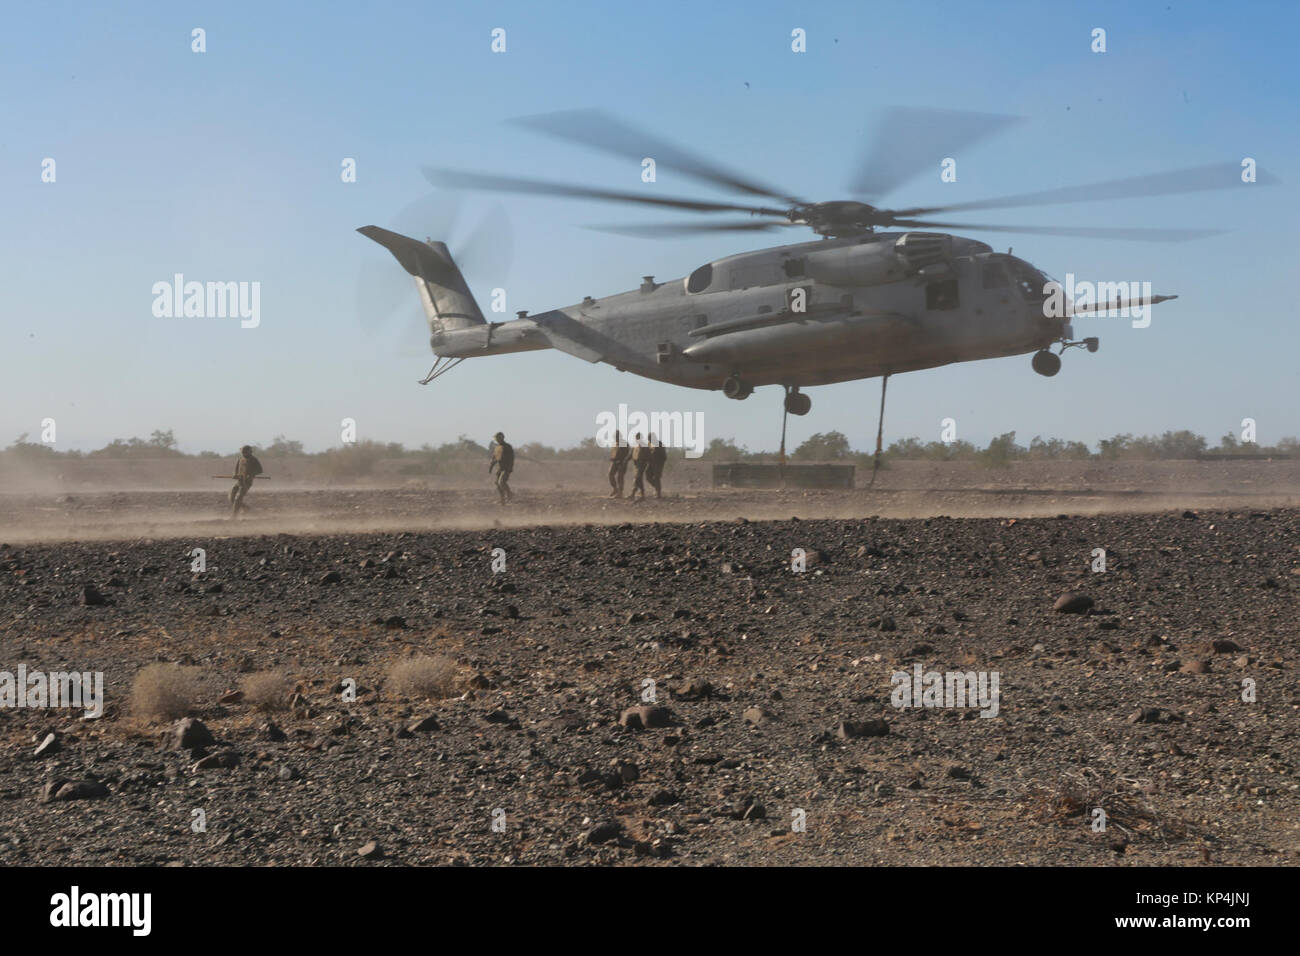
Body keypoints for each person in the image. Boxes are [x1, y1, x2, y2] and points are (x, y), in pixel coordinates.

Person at [229, 445, 263, 518]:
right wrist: (235, 475)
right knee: (231, 498)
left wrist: (251, 474)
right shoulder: (240, 459)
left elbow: (260, 470)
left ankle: (234, 516)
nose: (243, 453)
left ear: (249, 451)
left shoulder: (253, 460)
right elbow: (236, 470)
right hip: (239, 482)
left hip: (246, 483)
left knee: (238, 499)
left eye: (244, 452)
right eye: (242, 452)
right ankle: (246, 508)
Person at [488, 431, 514, 504]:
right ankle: (502, 499)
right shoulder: (497, 447)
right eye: (496, 438)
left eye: (498, 437)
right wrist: (491, 467)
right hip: (499, 468)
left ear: (502, 437)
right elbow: (494, 458)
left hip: (506, 468)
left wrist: (510, 468)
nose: (497, 439)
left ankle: (509, 494)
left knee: (501, 482)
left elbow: (511, 458)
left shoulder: (507, 447)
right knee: (497, 483)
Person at [608, 430, 629, 498]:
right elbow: (613, 452)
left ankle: (620, 492)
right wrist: (612, 458)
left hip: (621, 463)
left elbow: (626, 454)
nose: (616, 438)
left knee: (620, 477)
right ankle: (615, 489)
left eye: (617, 436)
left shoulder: (624, 443)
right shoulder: (614, 443)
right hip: (614, 462)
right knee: (610, 474)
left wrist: (621, 461)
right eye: (615, 436)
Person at [646, 433, 668, 498]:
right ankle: (656, 487)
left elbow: (664, 456)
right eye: (649, 438)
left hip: (658, 463)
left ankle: (658, 493)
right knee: (648, 476)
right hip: (651, 463)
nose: (649, 440)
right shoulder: (649, 444)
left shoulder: (659, 444)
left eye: (650, 438)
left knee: (656, 477)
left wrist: (660, 464)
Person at [629, 433, 649, 501]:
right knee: (639, 479)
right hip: (636, 464)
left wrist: (648, 463)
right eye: (636, 438)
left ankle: (633, 493)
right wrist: (625, 460)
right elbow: (631, 454)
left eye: (638, 437)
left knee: (637, 478)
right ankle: (642, 494)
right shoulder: (635, 445)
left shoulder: (645, 446)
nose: (637, 439)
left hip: (642, 464)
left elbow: (648, 455)